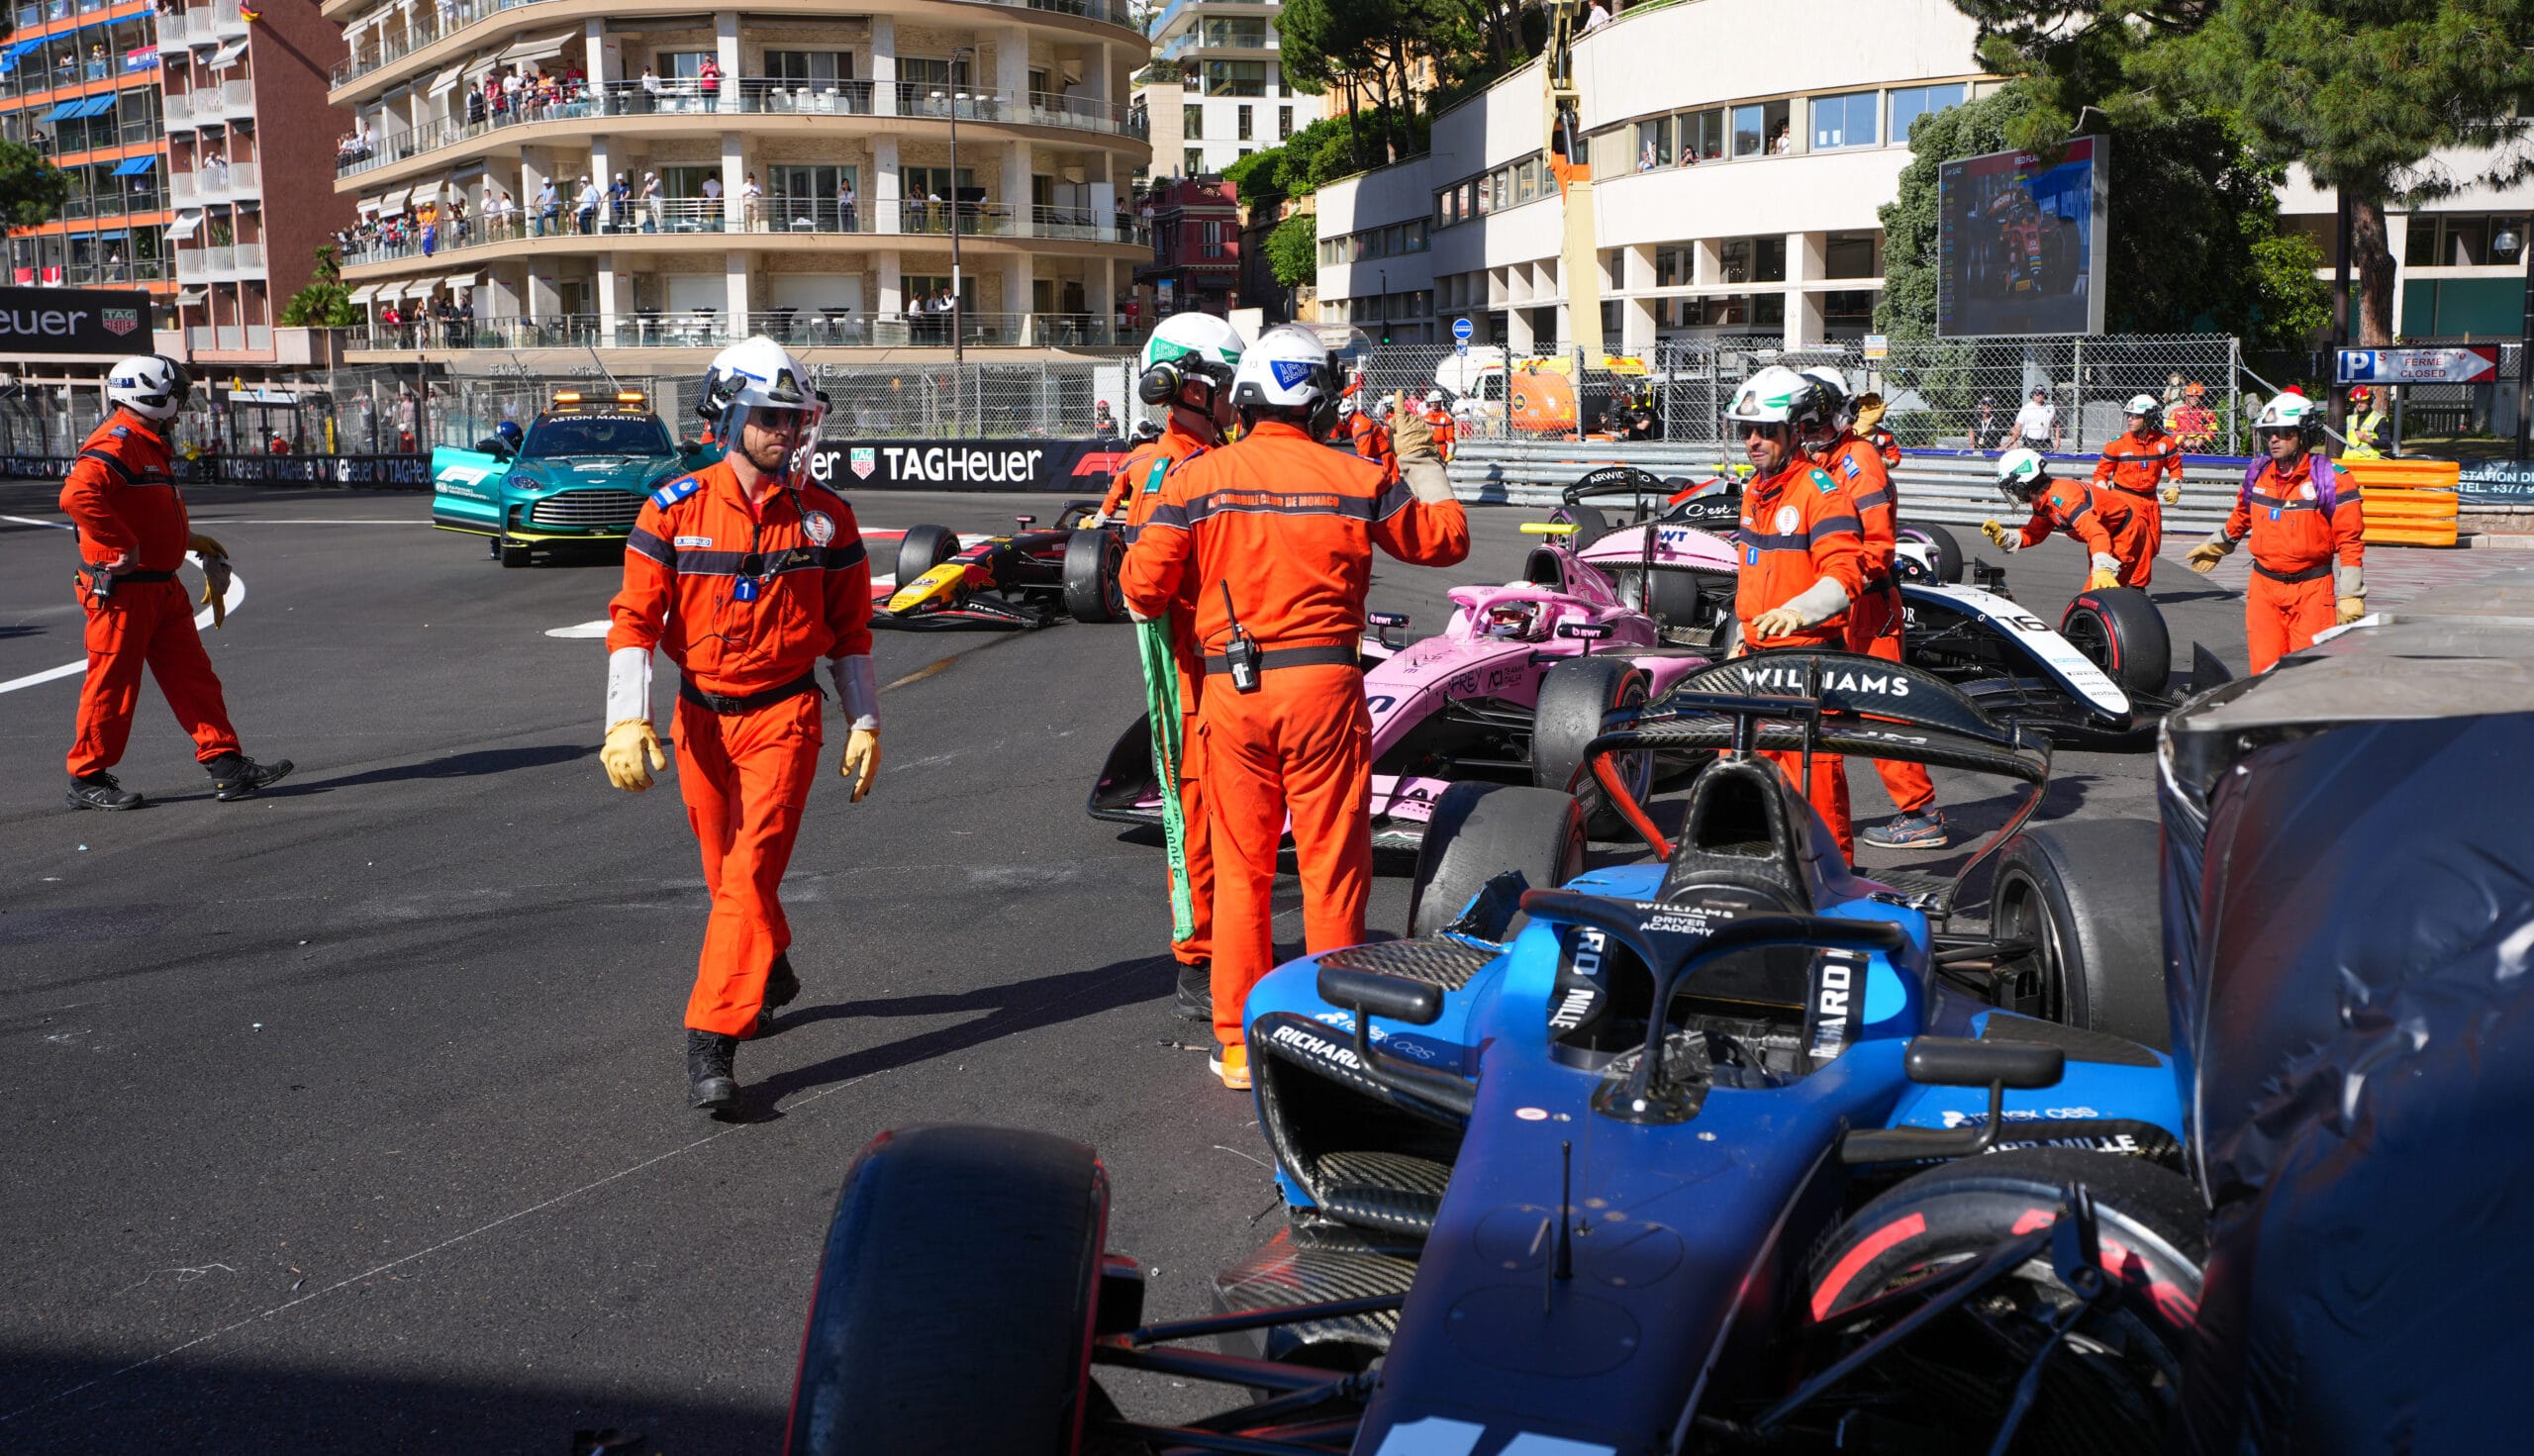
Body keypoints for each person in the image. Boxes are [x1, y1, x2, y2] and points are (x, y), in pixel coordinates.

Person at [1121, 325, 1469, 1090]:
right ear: (1320, 401)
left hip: (1232, 694)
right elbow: (1448, 539)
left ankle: (1237, 1043)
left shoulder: (1195, 479)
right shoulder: (1355, 477)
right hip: (1326, 692)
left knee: (1242, 867)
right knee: (1332, 865)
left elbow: (1140, 591)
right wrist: (1421, 460)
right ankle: (1335, 1028)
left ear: (1245, 396)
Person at [602, 337, 880, 1112]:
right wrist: (628, 719)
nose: (788, 433)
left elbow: (852, 632)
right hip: (698, 721)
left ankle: (710, 1039)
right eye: (770, 417)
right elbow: (632, 622)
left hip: (784, 718)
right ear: (727, 415)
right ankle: (773, 963)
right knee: (725, 873)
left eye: (795, 418)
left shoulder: (828, 522)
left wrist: (864, 721)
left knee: (748, 872)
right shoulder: (672, 510)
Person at [1090, 315, 1246, 1020]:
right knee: (1197, 821)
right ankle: (1199, 959)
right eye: (1228, 386)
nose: (1238, 400)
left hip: (1216, 664)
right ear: (1187, 387)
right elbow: (1147, 587)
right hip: (1190, 672)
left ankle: (1225, 951)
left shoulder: (1198, 458)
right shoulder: (1171, 468)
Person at [58, 354, 292, 812]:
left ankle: (225, 764)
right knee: (111, 687)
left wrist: (193, 544)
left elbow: (146, 513)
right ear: (150, 395)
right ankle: (86, 777)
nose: (181, 405)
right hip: (123, 593)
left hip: (161, 588)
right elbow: (76, 495)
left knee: (194, 679)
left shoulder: (147, 442)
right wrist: (121, 545)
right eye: (177, 395)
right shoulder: (119, 441)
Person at [1723, 366, 1869, 862]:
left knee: (1817, 796)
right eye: (1747, 431)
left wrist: (1798, 611)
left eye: (1766, 430)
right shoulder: (1755, 492)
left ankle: (1835, 902)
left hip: (1808, 666)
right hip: (1754, 665)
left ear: (1795, 429)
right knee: (1737, 785)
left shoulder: (1822, 492)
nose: (1753, 441)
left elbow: (1845, 576)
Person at [1796, 367, 1942, 850]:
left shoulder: (1858, 458)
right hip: (1836, 601)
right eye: (1801, 422)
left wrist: (1839, 587)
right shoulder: (1828, 457)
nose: (1806, 432)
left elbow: (1873, 542)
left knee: (1884, 706)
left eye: (1814, 421)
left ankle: (1919, 813)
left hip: (1865, 601)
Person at [2187, 392, 2366, 674]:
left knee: (2306, 674)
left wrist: (2350, 593)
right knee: (2263, 671)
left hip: (2312, 592)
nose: (2274, 439)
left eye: (2282, 432)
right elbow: (2243, 515)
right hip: (2263, 590)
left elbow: (2350, 540)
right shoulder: (2258, 473)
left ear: (2303, 433)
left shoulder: (2333, 479)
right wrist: (2219, 544)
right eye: (2270, 433)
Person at [1983, 448, 2147, 590]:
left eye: (2012, 489)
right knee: (2099, 596)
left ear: (2022, 484)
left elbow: (2097, 534)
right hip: (2105, 536)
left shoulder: (2064, 499)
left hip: (2123, 534)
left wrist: (2103, 568)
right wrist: (2003, 536)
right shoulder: (2043, 499)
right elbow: (2035, 533)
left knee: (2096, 598)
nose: (2013, 494)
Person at [2093, 393, 2186, 585]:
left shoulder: (2164, 443)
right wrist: (2102, 492)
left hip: (2150, 501)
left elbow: (2175, 467)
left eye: (2135, 416)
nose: (2130, 419)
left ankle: (2127, 582)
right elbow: (2100, 474)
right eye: (2129, 415)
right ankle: (2136, 587)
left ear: (2148, 418)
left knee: (2152, 547)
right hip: (2125, 500)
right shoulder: (2116, 443)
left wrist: (2174, 485)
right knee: (2140, 545)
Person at [1343, 394, 1395, 479]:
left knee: (1394, 485)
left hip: (1384, 458)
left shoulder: (1395, 419)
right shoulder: (1389, 419)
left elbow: (1364, 454)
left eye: (1385, 406)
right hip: (1381, 457)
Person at [2009, 385, 2059, 452]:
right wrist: (2015, 443)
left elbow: (2056, 425)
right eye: (2037, 393)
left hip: (2046, 442)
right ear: (2032, 395)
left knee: (2047, 461)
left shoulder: (2050, 407)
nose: (2039, 395)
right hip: (2031, 442)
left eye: (2042, 393)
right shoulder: (2026, 408)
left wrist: (2058, 440)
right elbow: (2016, 428)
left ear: (2045, 394)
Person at [2348, 386, 2391, 456]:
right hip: (2348, 463)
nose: (2359, 405)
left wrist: (2367, 439)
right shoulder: (2350, 420)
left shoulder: (2379, 420)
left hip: (2368, 464)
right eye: (2357, 402)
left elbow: (2387, 444)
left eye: (2362, 401)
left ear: (2369, 401)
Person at [1421, 390, 1457, 462]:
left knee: (1440, 471)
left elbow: (1451, 437)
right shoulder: (1426, 416)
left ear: (1441, 402)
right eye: (1432, 402)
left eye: (1436, 402)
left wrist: (1450, 452)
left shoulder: (1447, 417)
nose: (1434, 404)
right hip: (1428, 447)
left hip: (1441, 447)